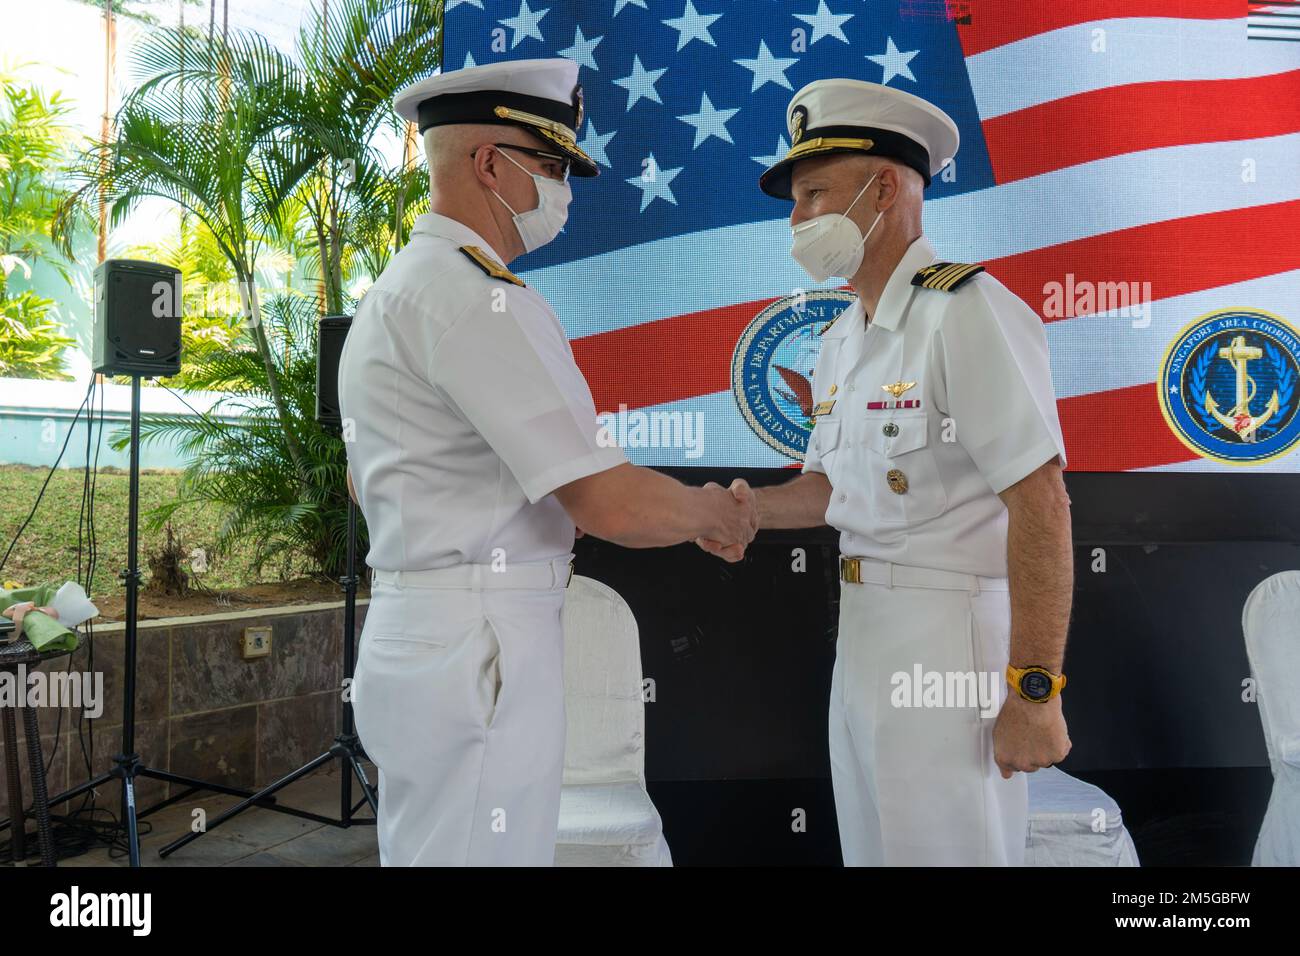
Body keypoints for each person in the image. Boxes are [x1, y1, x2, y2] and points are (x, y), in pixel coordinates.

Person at [337, 58, 756, 866]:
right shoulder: (479, 299)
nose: (563, 187)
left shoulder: (398, 290)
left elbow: (364, 483)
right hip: (478, 646)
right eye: (552, 164)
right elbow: (609, 503)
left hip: (427, 634)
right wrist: (720, 513)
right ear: (488, 163)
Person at [701, 78, 1073, 865]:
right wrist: (747, 511)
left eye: (812, 194)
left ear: (884, 186)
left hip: (950, 637)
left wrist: (1035, 689)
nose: (796, 219)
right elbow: (836, 488)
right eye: (795, 200)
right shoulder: (842, 334)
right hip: (864, 631)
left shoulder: (965, 309)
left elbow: (1041, 502)